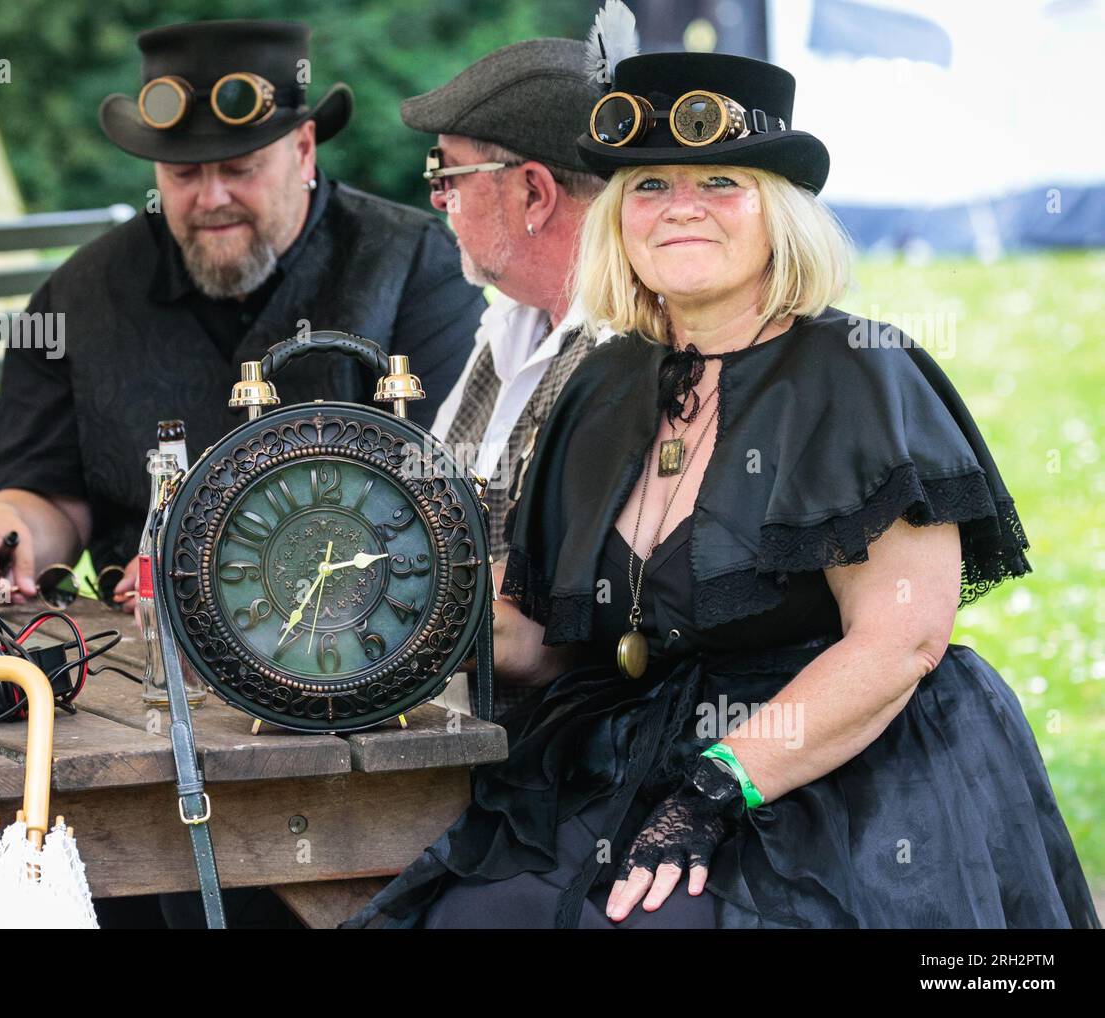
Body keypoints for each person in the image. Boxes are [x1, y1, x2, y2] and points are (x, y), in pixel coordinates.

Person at [341, 46, 1101, 929]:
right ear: (619, 218)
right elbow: (543, 636)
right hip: (632, 752)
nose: (682, 210)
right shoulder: (605, 379)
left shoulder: (859, 370)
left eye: (722, 184)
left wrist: (714, 786)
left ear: (778, 214)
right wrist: (364, 621)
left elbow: (902, 643)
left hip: (834, 780)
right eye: (652, 187)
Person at [0, 19, 484, 612]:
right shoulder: (76, 297)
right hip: (133, 659)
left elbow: (439, 504)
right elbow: (50, 498)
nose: (210, 199)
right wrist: (7, 528)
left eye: (239, 169)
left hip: (349, 648)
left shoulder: (417, 267)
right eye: (183, 174)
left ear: (303, 149)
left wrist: (210, 558)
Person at [400, 37, 609, 719]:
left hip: (567, 760)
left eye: (450, 174)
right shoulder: (509, 328)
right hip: (468, 732)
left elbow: (551, 637)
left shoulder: (627, 353)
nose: (438, 199)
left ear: (533, 192)